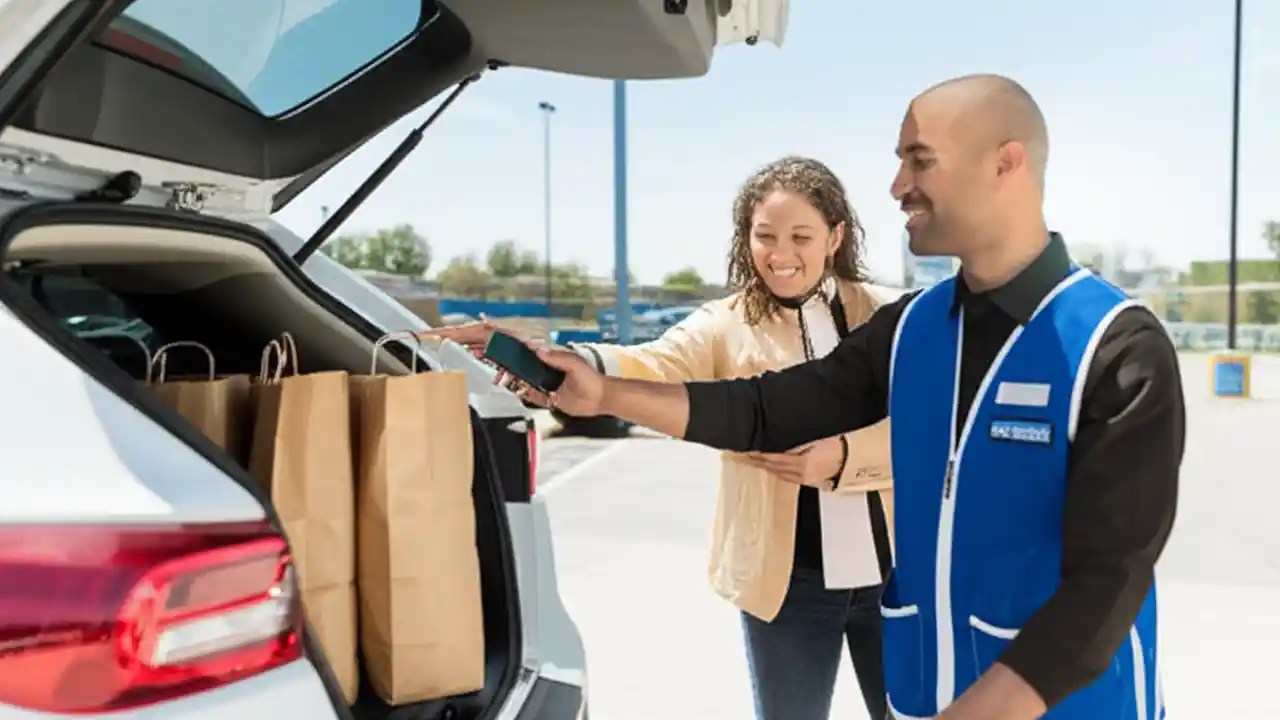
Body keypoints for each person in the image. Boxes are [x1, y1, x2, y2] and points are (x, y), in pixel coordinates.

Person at [515, 75, 1184, 720]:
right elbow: (762, 409)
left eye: (919, 161)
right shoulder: (911, 331)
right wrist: (601, 388)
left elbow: (1108, 582)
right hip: (922, 690)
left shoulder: (1114, 346)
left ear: (1004, 164)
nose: (897, 187)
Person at [424, 156, 897, 720]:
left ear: (835, 236)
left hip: (896, 575)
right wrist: (559, 361)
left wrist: (843, 458)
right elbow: (650, 363)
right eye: (764, 236)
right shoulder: (725, 322)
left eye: (801, 236)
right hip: (786, 589)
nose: (780, 255)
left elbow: (928, 426)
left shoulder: (887, 314)